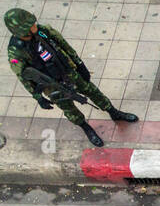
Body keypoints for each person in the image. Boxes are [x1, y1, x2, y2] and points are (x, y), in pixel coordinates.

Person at [5, 9, 137, 148]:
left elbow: (64, 45)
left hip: (67, 71)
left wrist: (79, 64)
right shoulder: (16, 52)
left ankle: (113, 112)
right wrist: (37, 96)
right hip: (52, 85)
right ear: (22, 31)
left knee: (92, 91)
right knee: (69, 109)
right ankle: (86, 128)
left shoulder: (43, 31)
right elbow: (23, 76)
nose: (35, 25)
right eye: (30, 25)